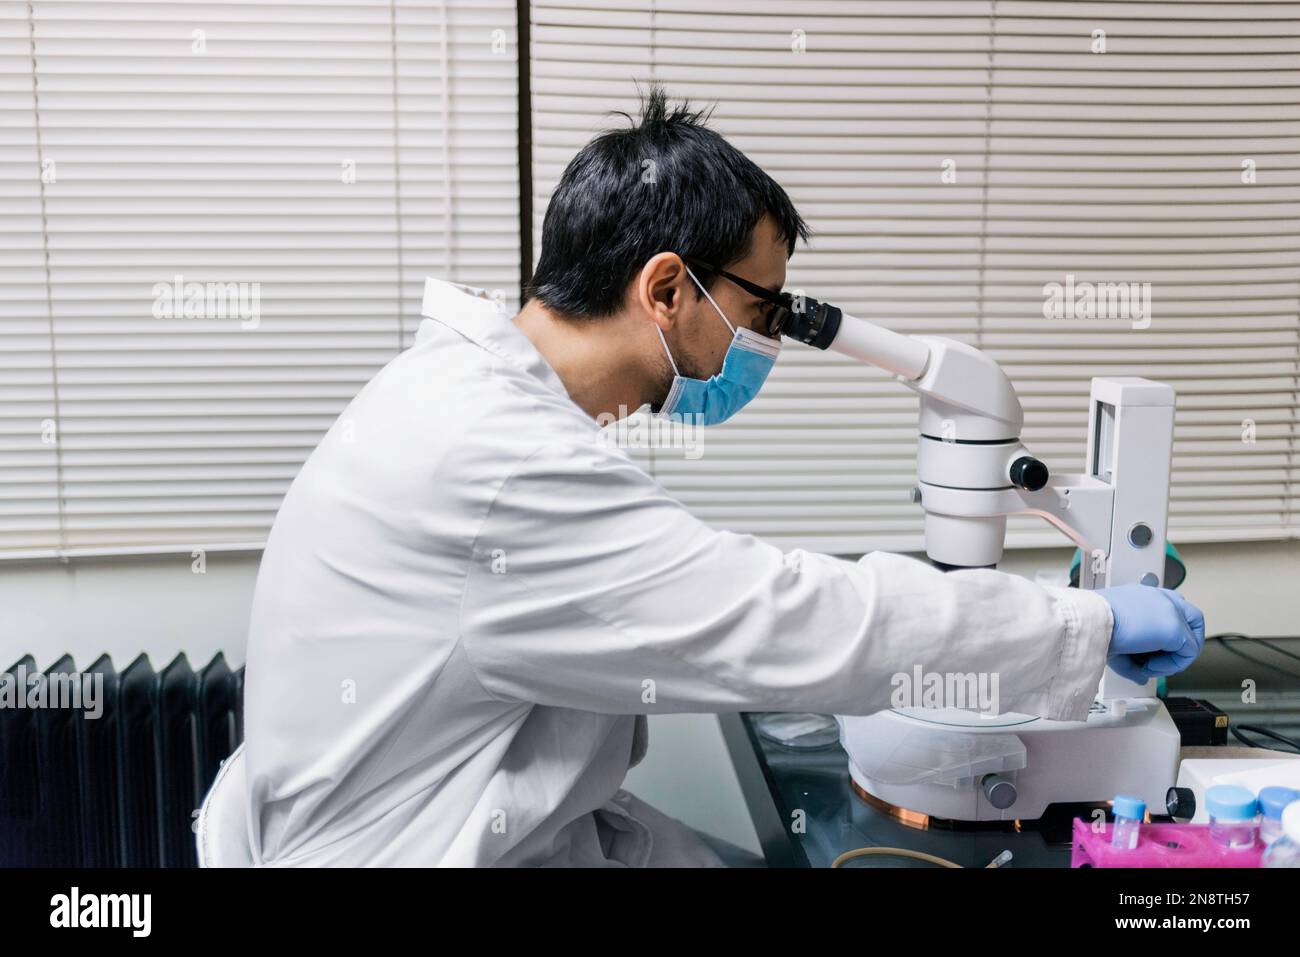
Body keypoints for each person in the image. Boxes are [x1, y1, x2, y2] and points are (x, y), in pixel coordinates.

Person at [238, 87, 1204, 867]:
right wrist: (1091, 625)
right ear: (666, 288)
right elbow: (782, 617)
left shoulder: (474, 402)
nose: (767, 338)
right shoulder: (501, 460)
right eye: (763, 307)